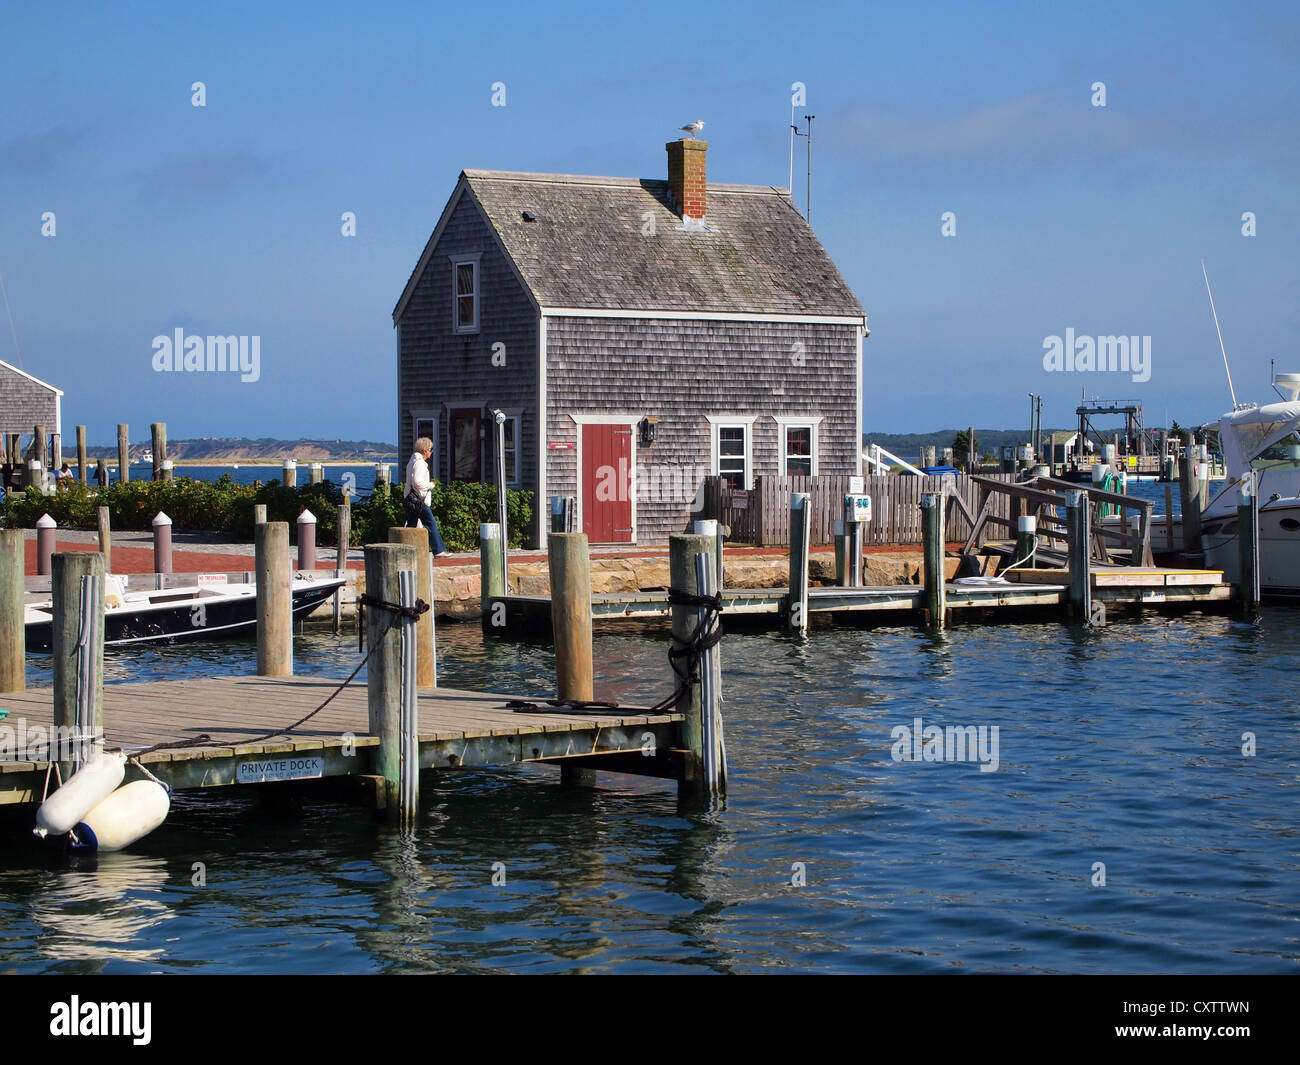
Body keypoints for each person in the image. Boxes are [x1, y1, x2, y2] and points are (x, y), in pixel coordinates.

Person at [403, 437, 449, 556]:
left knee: (412, 524)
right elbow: (417, 482)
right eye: (430, 449)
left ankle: (406, 548)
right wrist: (430, 485)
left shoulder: (412, 461)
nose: (431, 452)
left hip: (410, 498)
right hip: (418, 499)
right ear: (425, 450)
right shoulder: (420, 463)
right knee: (431, 523)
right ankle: (439, 550)